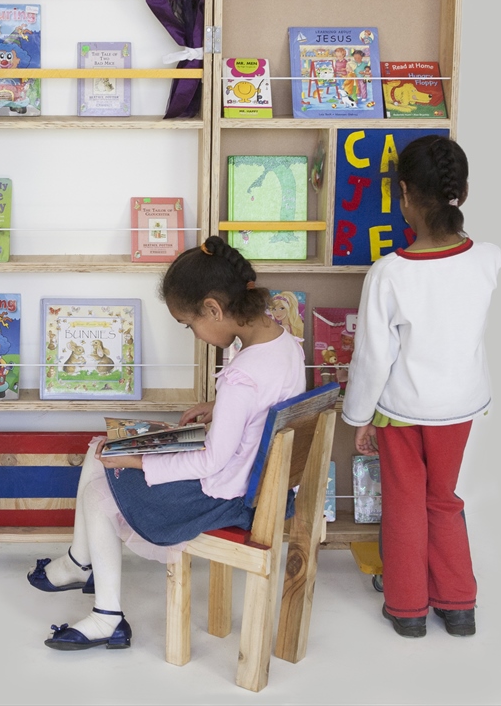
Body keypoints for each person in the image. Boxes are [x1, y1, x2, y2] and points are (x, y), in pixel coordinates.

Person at [26, 234, 306, 650]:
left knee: (100, 490)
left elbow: (211, 461)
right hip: (253, 485)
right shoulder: (283, 341)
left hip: (225, 496)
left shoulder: (241, 376)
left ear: (213, 307)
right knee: (101, 448)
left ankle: (107, 618)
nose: (193, 333)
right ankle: (78, 562)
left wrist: (145, 464)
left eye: (189, 324)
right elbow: (264, 401)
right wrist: (219, 407)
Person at [341, 135, 501, 639]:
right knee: (444, 498)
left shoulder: (390, 274)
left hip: (402, 410)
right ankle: (459, 605)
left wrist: (358, 417)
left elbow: (372, 358)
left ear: (403, 194)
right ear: (464, 191)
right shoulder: (489, 258)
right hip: (460, 406)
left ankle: (407, 609)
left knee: (405, 502)